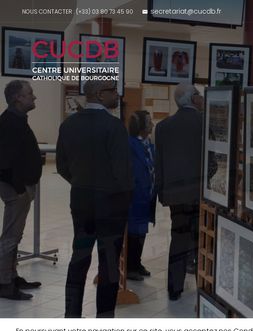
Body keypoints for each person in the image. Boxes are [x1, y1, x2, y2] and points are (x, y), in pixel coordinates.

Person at [56, 79, 133, 317]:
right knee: (109, 262)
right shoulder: (114, 126)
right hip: (110, 205)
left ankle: (72, 315)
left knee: (79, 257)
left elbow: (61, 166)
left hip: (81, 201)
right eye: (113, 90)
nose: (117, 94)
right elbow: (123, 172)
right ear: (100, 95)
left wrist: (81, 184)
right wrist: (124, 199)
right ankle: (104, 317)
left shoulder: (68, 125)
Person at [155, 83, 204, 301]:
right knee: (201, 238)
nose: (202, 99)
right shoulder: (204, 123)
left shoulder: (163, 126)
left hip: (175, 194)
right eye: (199, 95)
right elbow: (212, 160)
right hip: (199, 192)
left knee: (178, 237)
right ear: (193, 99)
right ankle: (204, 287)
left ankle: (175, 288)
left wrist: (162, 192)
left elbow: (159, 162)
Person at [0, 80, 42, 300]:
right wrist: (19, 191)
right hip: (16, 189)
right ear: (18, 98)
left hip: (21, 187)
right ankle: (4, 283)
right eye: (30, 93)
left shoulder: (17, 120)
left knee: (15, 235)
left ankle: (11, 276)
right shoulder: (8, 123)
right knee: (10, 236)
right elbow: (3, 164)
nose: (34, 97)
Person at [126, 110, 156, 281]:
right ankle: (130, 266)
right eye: (149, 121)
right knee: (134, 231)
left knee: (142, 231)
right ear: (141, 126)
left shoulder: (148, 144)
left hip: (147, 194)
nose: (152, 124)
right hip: (136, 195)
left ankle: (137, 263)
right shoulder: (131, 144)